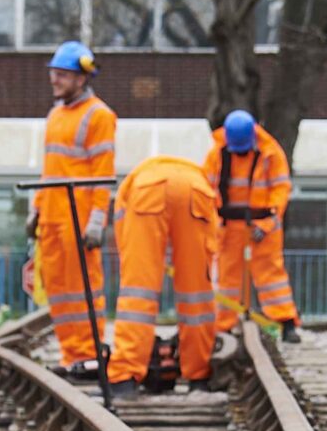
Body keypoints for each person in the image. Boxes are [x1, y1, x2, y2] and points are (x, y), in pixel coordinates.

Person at [29, 41, 115, 378]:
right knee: (60, 291)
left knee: (85, 289)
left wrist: (96, 222)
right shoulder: (55, 115)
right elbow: (49, 169)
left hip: (77, 218)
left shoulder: (99, 115)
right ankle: (72, 356)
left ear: (82, 78)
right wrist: (35, 210)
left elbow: (103, 173)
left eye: (63, 75)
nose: (55, 80)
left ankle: (92, 355)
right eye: (54, 73)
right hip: (52, 217)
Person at [107, 156, 218, 400]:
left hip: (147, 189)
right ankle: (198, 376)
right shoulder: (198, 174)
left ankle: (125, 378)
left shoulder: (135, 179)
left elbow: (124, 242)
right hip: (195, 189)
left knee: (138, 289)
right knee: (196, 291)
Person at [203, 109, 299, 340]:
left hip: (262, 226)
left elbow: (280, 190)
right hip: (229, 227)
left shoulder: (271, 154)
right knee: (227, 278)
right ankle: (224, 327)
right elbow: (206, 187)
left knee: (271, 276)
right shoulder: (217, 153)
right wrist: (213, 221)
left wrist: (267, 223)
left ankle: (286, 323)